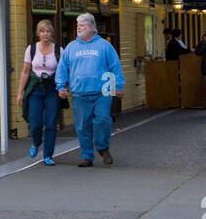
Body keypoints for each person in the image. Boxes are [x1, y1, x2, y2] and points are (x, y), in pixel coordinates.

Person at [55, 13, 125, 167]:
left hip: (103, 91)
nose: (78, 28)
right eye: (77, 25)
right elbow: (62, 69)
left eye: (82, 25)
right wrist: (61, 86)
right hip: (80, 93)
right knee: (82, 126)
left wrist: (118, 86)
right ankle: (87, 156)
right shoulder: (71, 47)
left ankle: (103, 148)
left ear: (92, 27)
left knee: (103, 120)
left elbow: (115, 66)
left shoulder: (105, 45)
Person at [17, 19, 62, 165]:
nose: (45, 34)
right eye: (42, 31)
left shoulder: (58, 50)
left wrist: (63, 88)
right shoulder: (31, 49)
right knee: (35, 122)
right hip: (35, 88)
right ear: (38, 33)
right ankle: (36, 142)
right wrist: (20, 93)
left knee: (50, 123)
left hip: (51, 89)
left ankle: (48, 155)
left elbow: (63, 72)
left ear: (51, 33)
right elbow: (25, 72)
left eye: (48, 31)